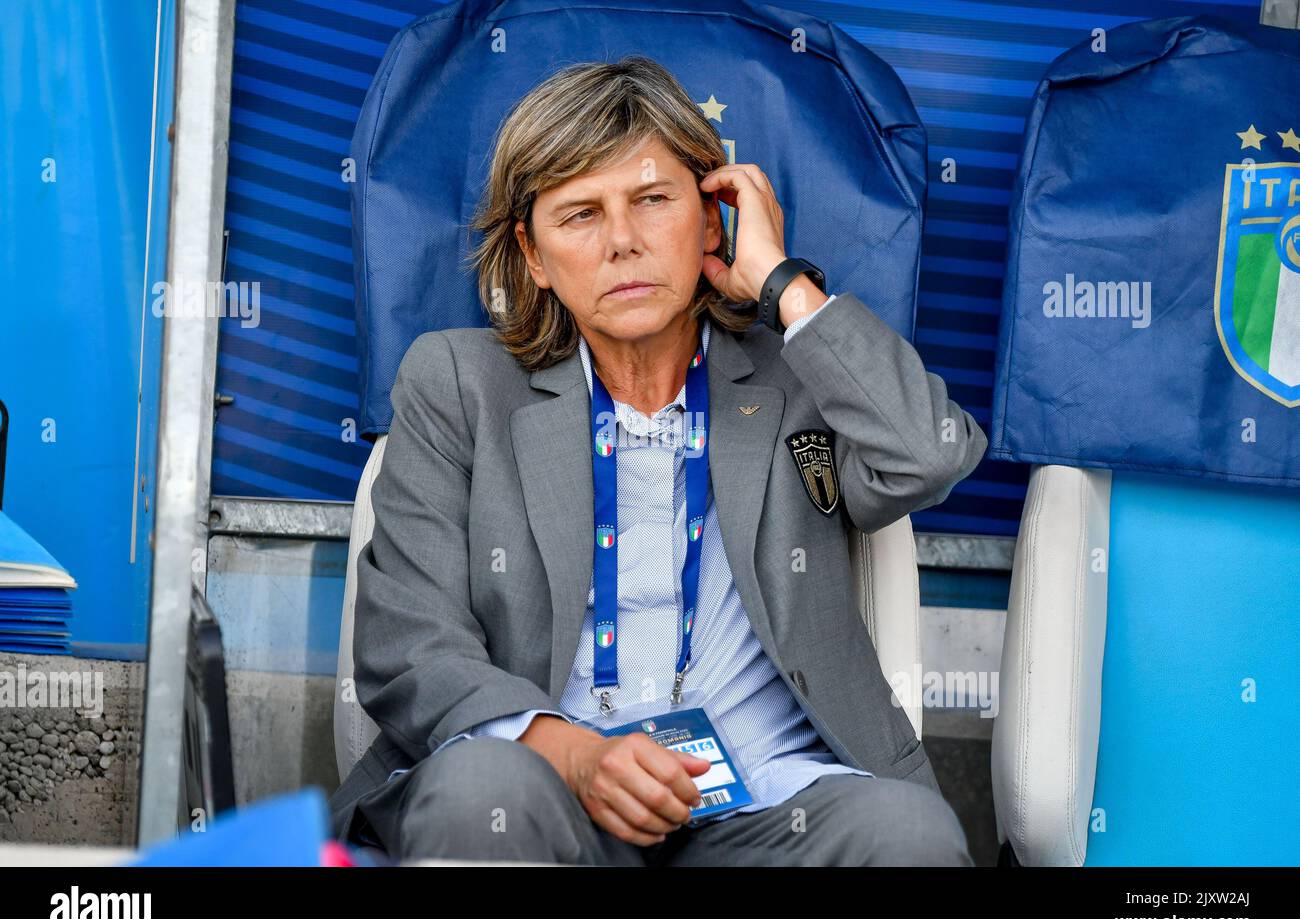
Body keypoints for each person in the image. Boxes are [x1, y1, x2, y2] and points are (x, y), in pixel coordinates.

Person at [328, 55, 986, 865]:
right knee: (481, 792)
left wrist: (781, 284)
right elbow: (408, 642)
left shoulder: (801, 376)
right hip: (547, 799)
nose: (623, 243)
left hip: (768, 808)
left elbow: (928, 456)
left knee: (906, 836)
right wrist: (576, 756)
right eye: (579, 216)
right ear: (533, 257)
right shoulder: (459, 384)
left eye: (653, 200)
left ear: (712, 222)